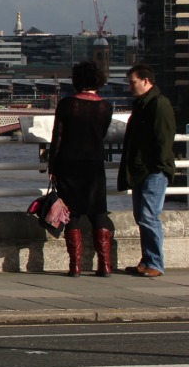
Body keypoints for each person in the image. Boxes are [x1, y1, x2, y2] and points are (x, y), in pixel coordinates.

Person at [48, 60, 114, 276]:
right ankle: (105, 265)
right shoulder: (106, 107)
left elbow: (57, 138)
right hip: (94, 165)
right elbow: (101, 134)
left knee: (72, 213)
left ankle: (75, 266)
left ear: (76, 81)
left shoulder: (67, 105)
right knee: (98, 211)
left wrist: (52, 166)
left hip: (69, 164)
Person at [118, 63, 176, 278]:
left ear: (146, 81)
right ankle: (147, 260)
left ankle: (155, 263)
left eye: (132, 82)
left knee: (148, 216)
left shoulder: (159, 104)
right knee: (141, 216)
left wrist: (158, 166)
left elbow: (164, 138)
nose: (130, 87)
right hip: (142, 170)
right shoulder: (143, 104)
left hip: (154, 171)